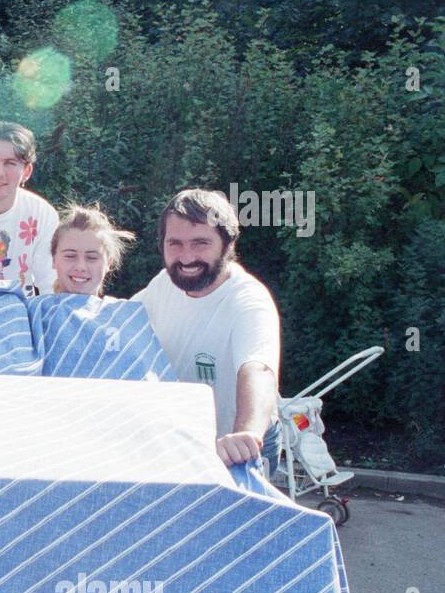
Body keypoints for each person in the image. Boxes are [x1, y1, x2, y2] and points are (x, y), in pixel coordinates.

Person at [131, 189, 282, 471]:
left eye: (201, 243)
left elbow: (258, 371)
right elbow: (115, 323)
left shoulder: (248, 301)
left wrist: (245, 434)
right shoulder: (162, 284)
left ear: (227, 244)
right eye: (175, 243)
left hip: (237, 445)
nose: (186, 257)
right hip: (183, 442)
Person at [0, 121, 57, 293]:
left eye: (10, 163)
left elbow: (50, 285)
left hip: (20, 312)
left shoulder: (42, 214)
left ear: (27, 172)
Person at [49, 204, 135, 297]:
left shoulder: (126, 311)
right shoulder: (33, 309)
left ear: (109, 263)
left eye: (91, 258)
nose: (80, 267)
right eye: (70, 256)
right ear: (54, 260)